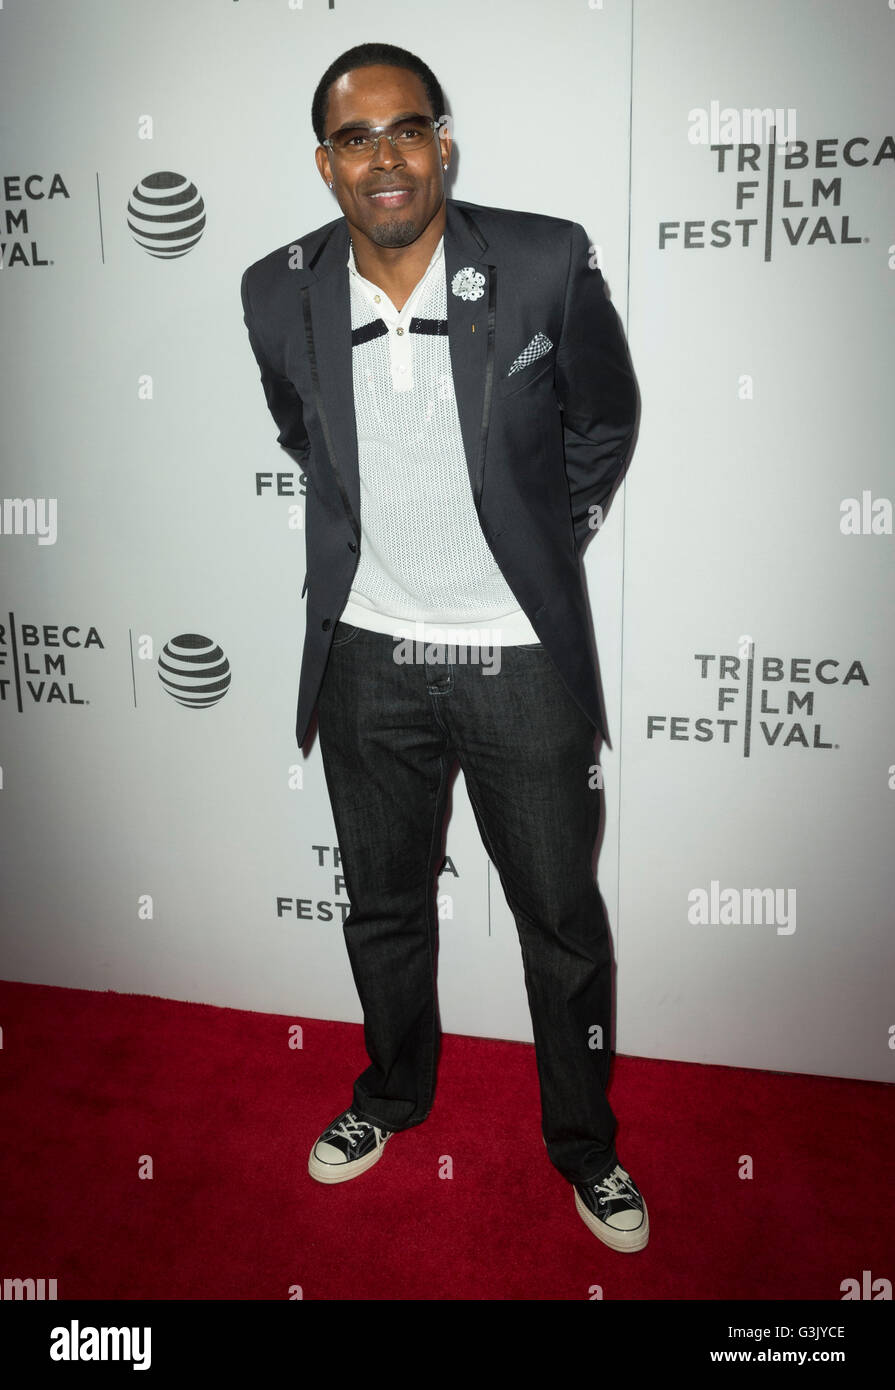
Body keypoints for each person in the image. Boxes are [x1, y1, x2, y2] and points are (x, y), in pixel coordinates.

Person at [240, 42, 646, 1252]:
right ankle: (390, 1095)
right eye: (355, 138)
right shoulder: (276, 288)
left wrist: (543, 543)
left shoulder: (539, 261)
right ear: (326, 162)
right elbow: (300, 430)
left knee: (560, 920)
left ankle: (586, 1146)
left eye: (406, 129)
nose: (384, 157)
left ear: (443, 142)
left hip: (518, 656)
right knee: (381, 905)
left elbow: (605, 416)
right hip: (367, 652)